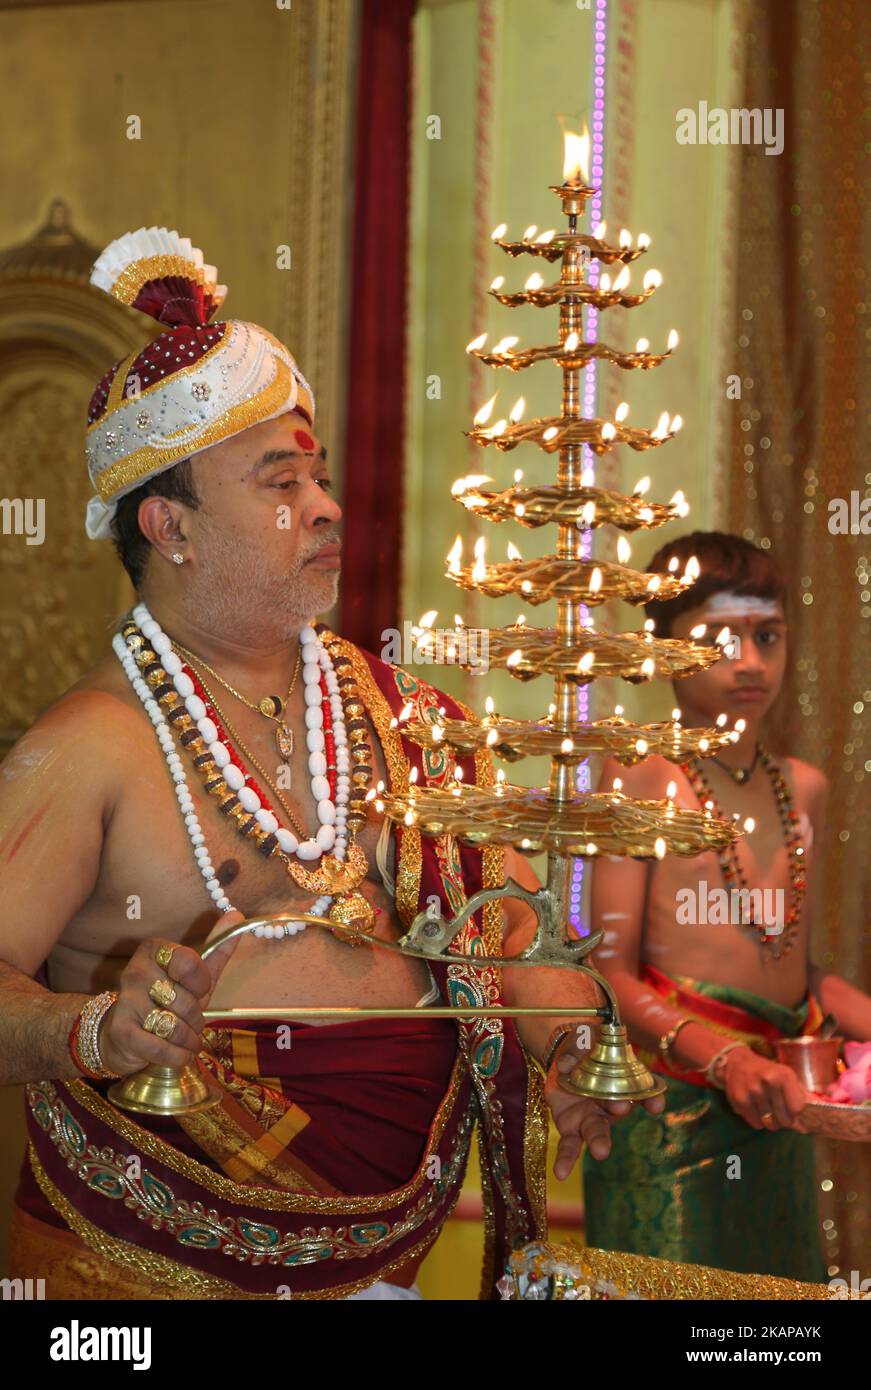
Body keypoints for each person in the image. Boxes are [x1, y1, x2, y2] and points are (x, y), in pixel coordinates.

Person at [1, 225, 662, 1301]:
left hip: (383, 1264)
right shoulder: (90, 749)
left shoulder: (406, 717)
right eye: (278, 483)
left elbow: (506, 922)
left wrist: (564, 1048)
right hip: (138, 1280)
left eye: (316, 476)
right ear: (170, 525)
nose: (324, 508)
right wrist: (97, 1029)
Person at [582, 530, 871, 1281]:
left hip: (776, 1105)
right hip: (669, 1114)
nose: (748, 662)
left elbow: (795, 973)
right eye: (715, 639)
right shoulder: (636, 778)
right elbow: (607, 975)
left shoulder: (801, 786)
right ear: (658, 647)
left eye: (766, 636)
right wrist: (724, 1057)